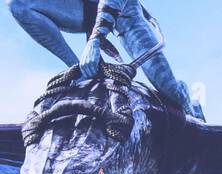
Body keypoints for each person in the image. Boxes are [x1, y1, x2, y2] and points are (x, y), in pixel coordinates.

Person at [7, 0, 205, 119]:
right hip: (81, 9)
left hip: (123, 10)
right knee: (19, 4)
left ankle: (191, 105)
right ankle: (80, 71)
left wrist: (95, 40)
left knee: (166, 86)